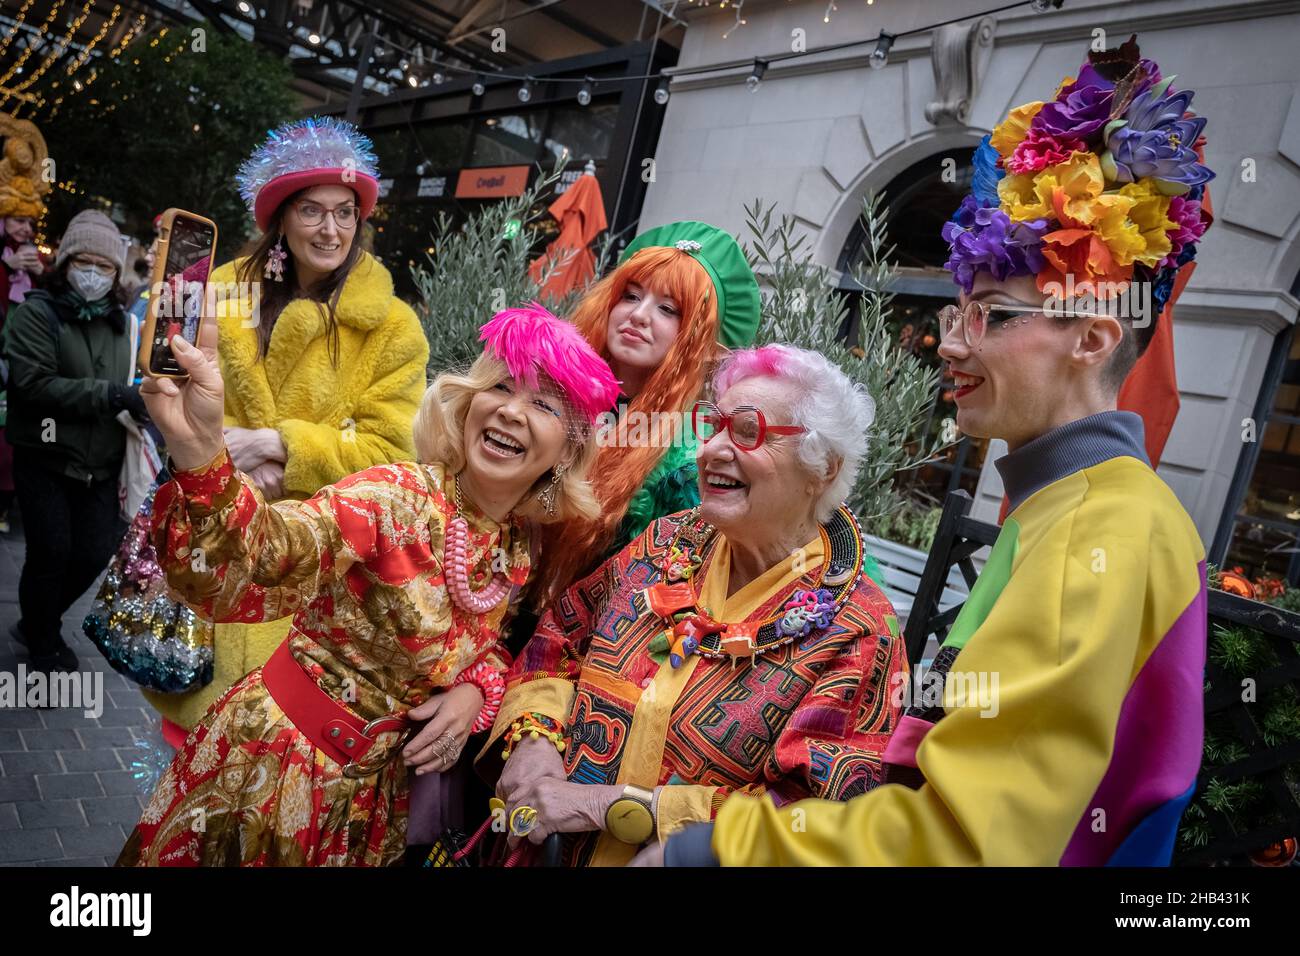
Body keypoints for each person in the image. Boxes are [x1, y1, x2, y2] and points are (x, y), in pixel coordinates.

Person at [659, 37, 1213, 867]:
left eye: (989, 313)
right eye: (956, 314)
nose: (951, 346)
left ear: (1093, 338)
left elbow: (961, 845)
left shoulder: (1099, 534)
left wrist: (708, 851)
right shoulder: (1071, 504)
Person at [117, 303, 619, 866]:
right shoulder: (393, 496)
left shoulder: (516, 544)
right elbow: (261, 558)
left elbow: (492, 644)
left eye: (542, 405)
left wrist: (476, 690)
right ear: (469, 399)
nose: (509, 411)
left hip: (367, 804)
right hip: (272, 766)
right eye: (500, 386)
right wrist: (198, 446)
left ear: (568, 450)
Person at [481, 344, 907, 866]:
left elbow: (812, 817)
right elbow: (559, 637)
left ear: (823, 466)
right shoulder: (665, 543)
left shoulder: (861, 630)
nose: (711, 450)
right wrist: (534, 740)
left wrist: (608, 805)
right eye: (713, 424)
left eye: (747, 431)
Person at [139, 117, 430, 748]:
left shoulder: (393, 329)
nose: (330, 229)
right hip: (211, 541)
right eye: (311, 211)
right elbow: (170, 399)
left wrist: (278, 447)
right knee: (189, 744)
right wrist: (223, 455)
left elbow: (390, 454)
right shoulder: (219, 292)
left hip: (310, 569)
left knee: (276, 755)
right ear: (280, 218)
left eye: (345, 213)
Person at [531, 221, 762, 605]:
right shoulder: (546, 394)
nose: (639, 315)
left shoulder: (689, 464)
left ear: (700, 340)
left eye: (668, 309)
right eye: (631, 295)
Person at [4, 210, 144, 671]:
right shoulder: (35, 314)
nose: (93, 274)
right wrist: (111, 395)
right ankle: (42, 640)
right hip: (45, 457)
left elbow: (130, 380)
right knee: (52, 551)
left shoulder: (123, 323)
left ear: (116, 272)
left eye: (104, 266)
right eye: (82, 262)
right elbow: (33, 385)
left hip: (100, 464)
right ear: (64, 264)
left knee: (93, 552)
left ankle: (37, 618)